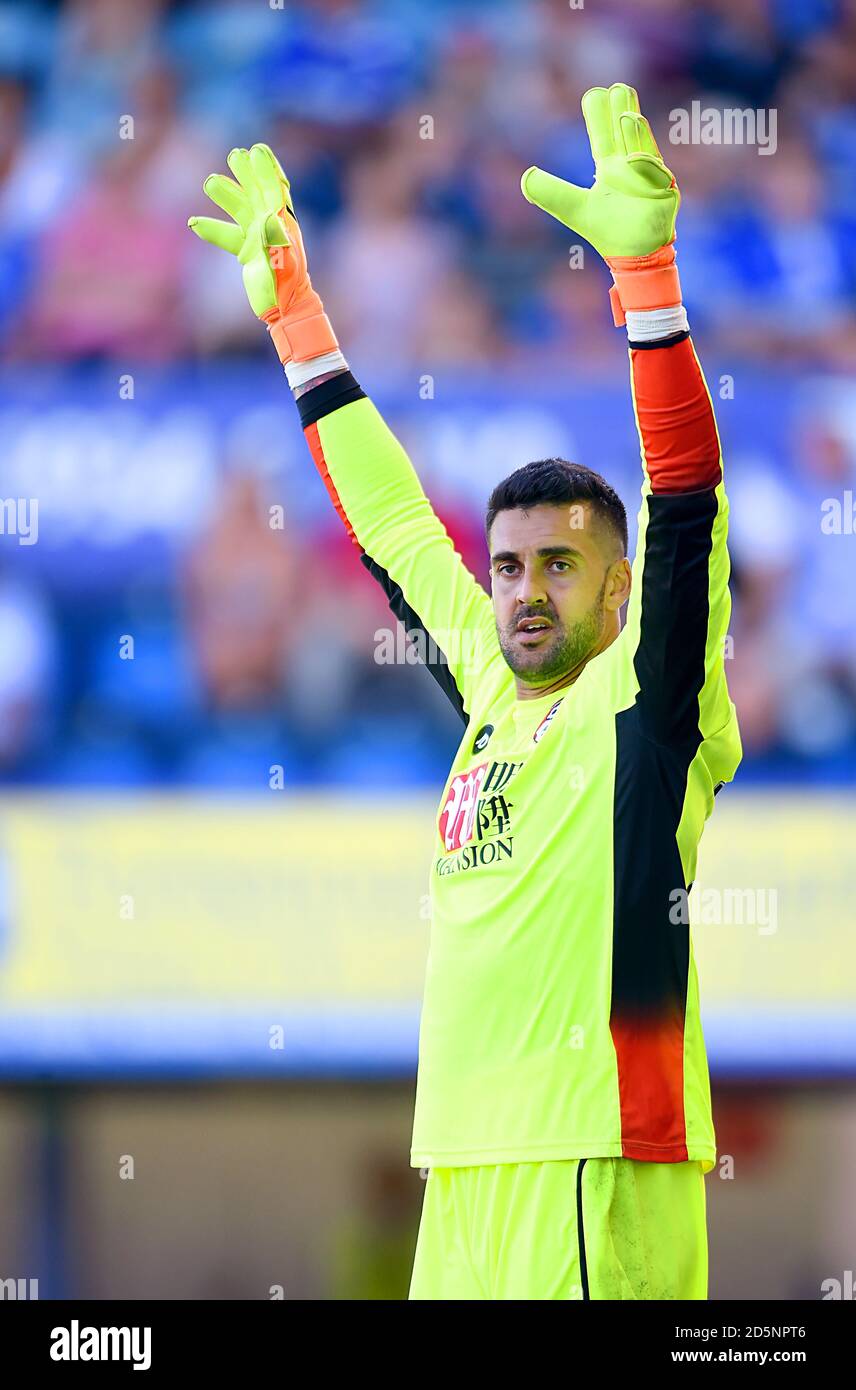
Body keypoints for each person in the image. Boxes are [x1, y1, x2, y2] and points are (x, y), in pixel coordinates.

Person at [190, 82, 741, 1301]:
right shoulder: (492, 685)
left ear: (619, 592)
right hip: (461, 1168)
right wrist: (297, 316)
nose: (524, 590)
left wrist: (645, 285)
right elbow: (389, 520)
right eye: (506, 566)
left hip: (596, 1157)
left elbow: (686, 489)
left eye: (560, 564)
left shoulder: (648, 705)